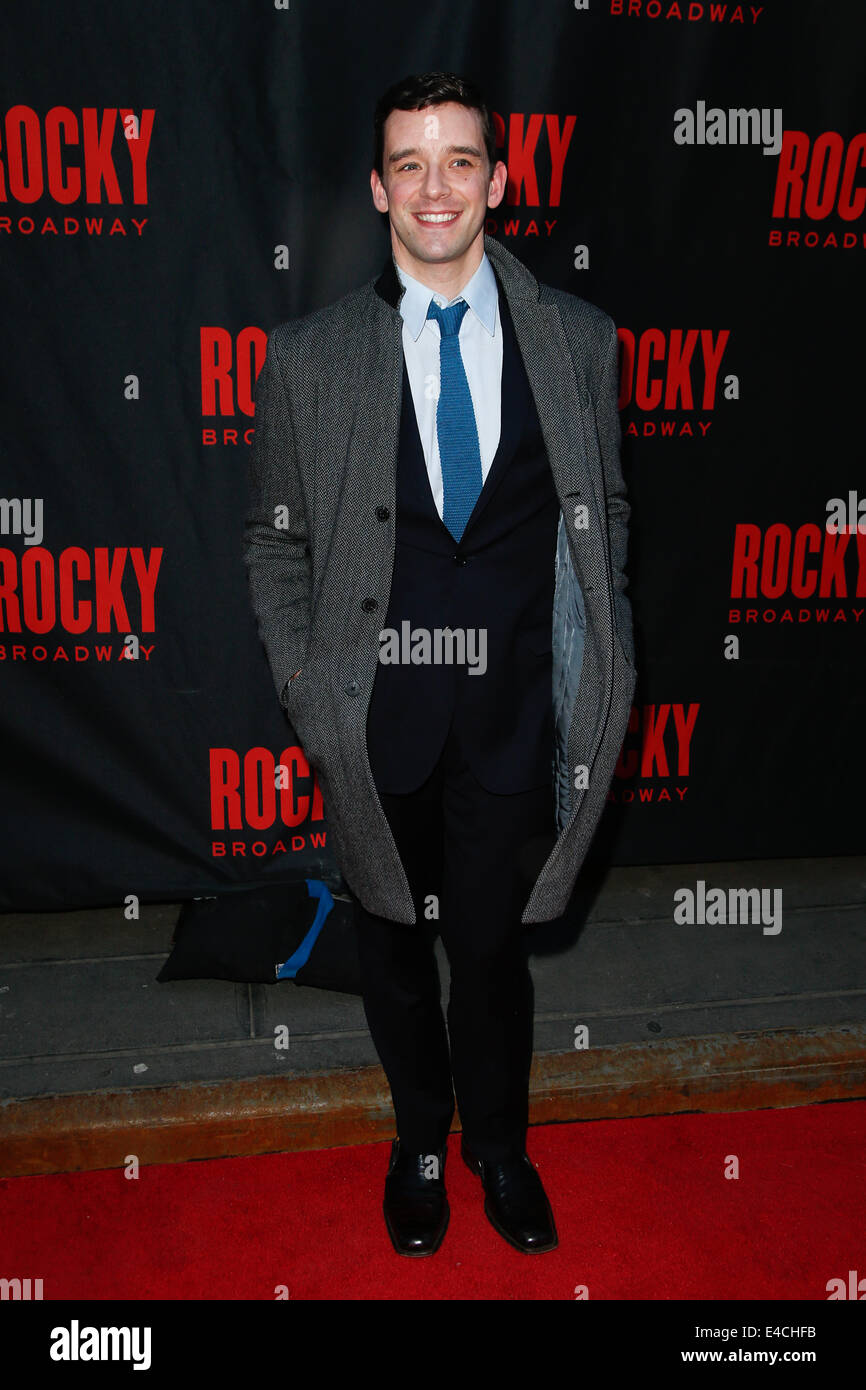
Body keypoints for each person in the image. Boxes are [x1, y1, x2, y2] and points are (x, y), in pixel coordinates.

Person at [244, 71, 636, 1258]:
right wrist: (312, 699)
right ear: (375, 187)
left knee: (489, 951)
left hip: (514, 713)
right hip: (376, 716)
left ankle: (498, 1147)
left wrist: (594, 668)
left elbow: (601, 515)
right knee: (390, 942)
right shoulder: (309, 359)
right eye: (408, 163)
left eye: (457, 160)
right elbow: (275, 542)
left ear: (497, 181)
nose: (433, 186)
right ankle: (420, 1141)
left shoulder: (577, 341)